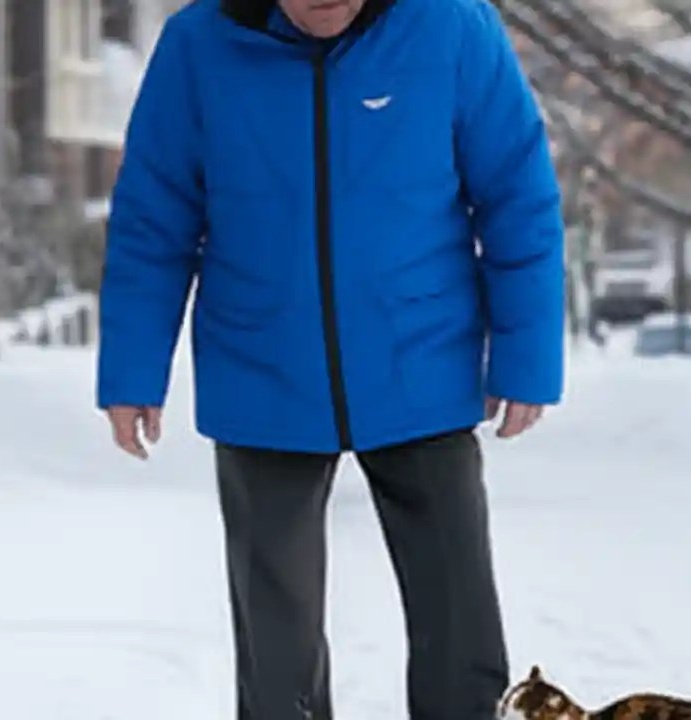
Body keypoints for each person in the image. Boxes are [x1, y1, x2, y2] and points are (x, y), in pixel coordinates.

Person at [95, 0, 565, 715]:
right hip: (260, 370)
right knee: (274, 639)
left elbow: (518, 197)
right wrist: (133, 369)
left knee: (457, 613)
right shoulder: (198, 45)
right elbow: (152, 220)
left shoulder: (450, 28)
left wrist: (526, 356)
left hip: (422, 364)